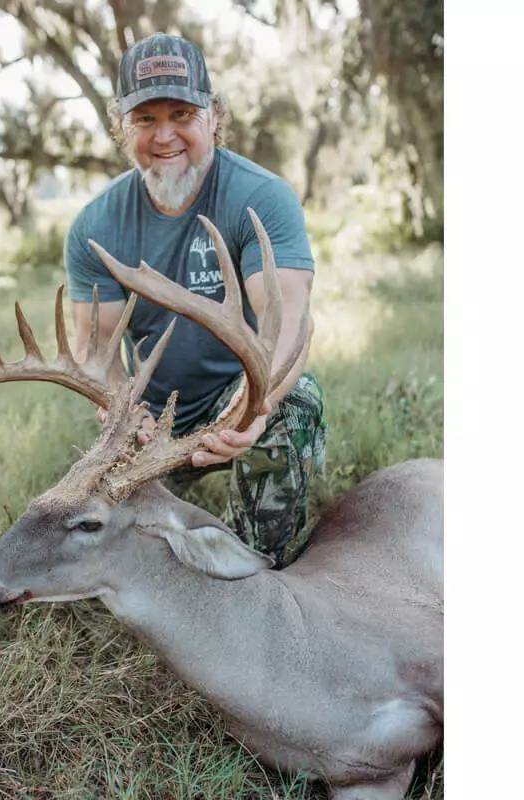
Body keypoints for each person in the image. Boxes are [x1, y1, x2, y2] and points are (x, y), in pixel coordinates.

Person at [64, 33, 326, 568]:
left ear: (213, 116)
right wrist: (124, 418)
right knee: (74, 515)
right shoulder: (95, 225)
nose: (165, 136)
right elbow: (97, 355)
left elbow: (290, 324)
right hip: (152, 418)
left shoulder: (260, 198)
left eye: (182, 113)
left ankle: (254, 564)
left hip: (240, 398)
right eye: (145, 119)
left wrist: (254, 411)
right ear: (123, 128)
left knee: (298, 400)